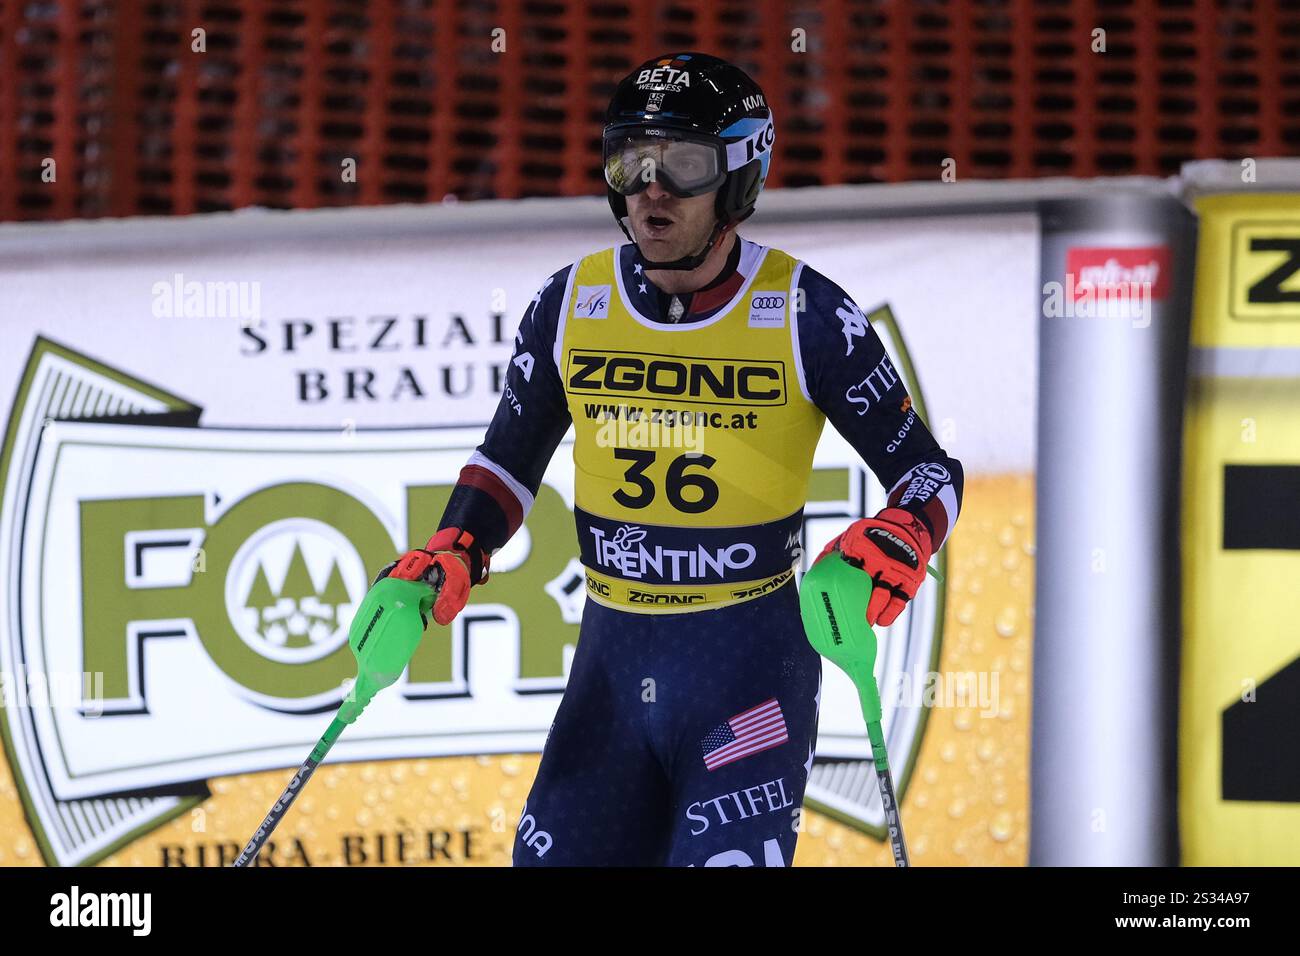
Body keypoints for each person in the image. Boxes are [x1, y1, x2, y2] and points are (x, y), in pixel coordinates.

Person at [373, 52, 964, 866]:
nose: (651, 188)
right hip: (613, 671)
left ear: (740, 180)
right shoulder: (569, 302)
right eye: (632, 161)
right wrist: (456, 546)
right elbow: (507, 461)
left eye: (681, 165)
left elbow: (930, 473)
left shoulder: (804, 312)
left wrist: (898, 536)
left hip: (748, 672)